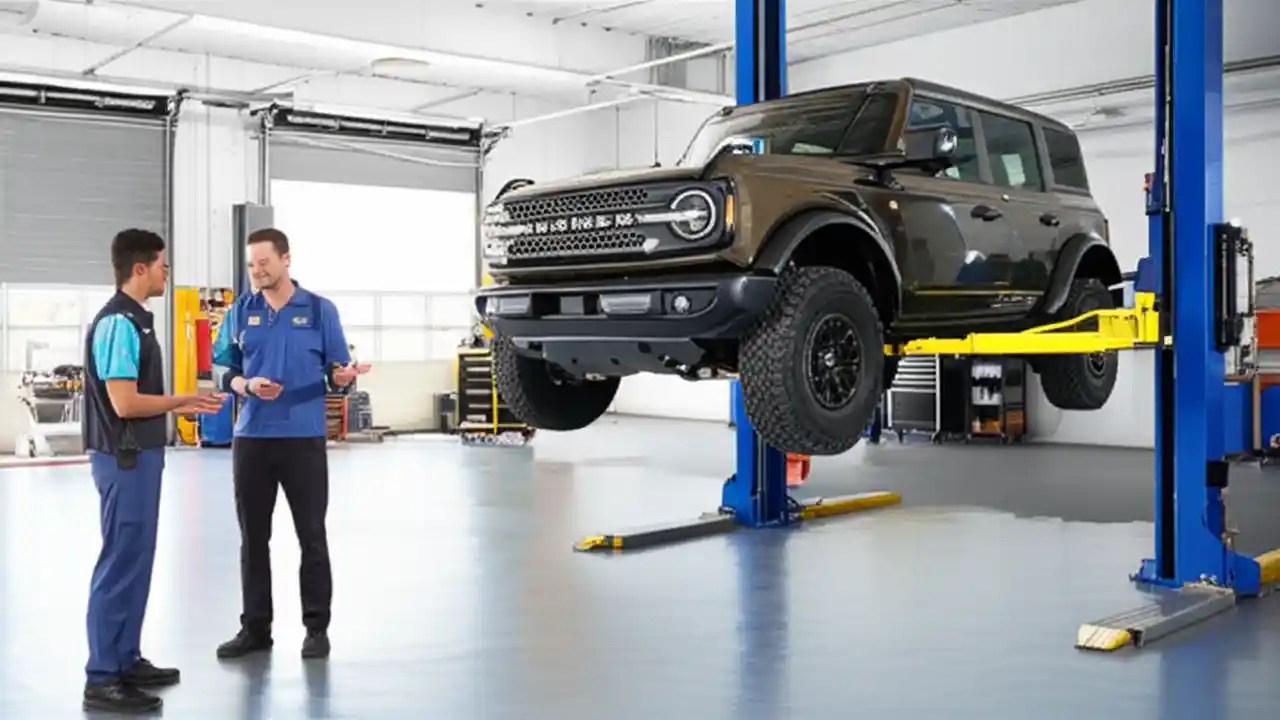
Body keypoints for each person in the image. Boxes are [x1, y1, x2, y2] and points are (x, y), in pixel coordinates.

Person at [81, 229, 226, 714]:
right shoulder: (118, 324)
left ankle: (126, 658)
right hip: (124, 460)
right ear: (140, 268)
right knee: (120, 562)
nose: (168, 272)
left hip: (140, 458)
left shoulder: (138, 322)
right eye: (163, 264)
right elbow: (123, 402)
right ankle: (102, 676)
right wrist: (185, 398)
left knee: (138, 560)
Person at [211, 227, 370, 661]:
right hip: (252, 440)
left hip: (303, 439)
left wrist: (342, 377)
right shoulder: (240, 312)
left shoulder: (320, 311)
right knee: (253, 539)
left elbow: (337, 370)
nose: (257, 271)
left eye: (264, 262)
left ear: (286, 259)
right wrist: (244, 384)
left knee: (312, 537)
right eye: (251, 265)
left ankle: (316, 629)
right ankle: (255, 629)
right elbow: (221, 370)